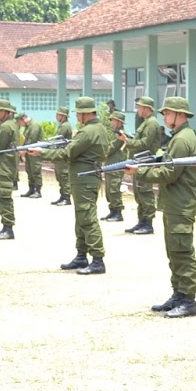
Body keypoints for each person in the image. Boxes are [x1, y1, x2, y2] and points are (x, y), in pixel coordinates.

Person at [136, 96, 196, 315]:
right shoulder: (179, 137)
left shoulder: (182, 140)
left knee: (182, 251)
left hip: (181, 203)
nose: (164, 116)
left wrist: (140, 171)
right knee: (174, 251)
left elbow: (169, 173)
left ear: (180, 114)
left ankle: (188, 300)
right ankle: (179, 293)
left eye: (167, 113)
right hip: (176, 202)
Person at [35, 96, 114, 274]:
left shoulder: (87, 132)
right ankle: (81, 255)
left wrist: (42, 153)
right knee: (82, 218)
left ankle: (97, 259)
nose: (77, 117)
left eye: (79, 114)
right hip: (86, 178)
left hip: (84, 179)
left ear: (86, 114)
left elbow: (67, 153)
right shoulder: (99, 128)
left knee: (87, 218)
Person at [125, 95, 167, 235]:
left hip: (146, 162)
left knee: (145, 192)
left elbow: (145, 143)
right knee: (139, 193)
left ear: (146, 108)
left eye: (139, 107)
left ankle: (148, 223)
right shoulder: (146, 122)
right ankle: (141, 221)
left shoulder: (151, 123)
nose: (137, 109)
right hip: (140, 161)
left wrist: (127, 141)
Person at [0, 102, 20, 239]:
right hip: (7, 165)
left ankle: (8, 228)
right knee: (3, 196)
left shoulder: (6, 126)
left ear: (5, 112)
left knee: (4, 197)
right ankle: (6, 227)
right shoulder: (11, 124)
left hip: (3, 166)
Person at [101, 108, 129, 222]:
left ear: (119, 122)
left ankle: (118, 213)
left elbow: (111, 148)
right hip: (111, 165)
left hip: (116, 165)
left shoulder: (121, 134)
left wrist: (102, 151)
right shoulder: (115, 133)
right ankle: (112, 211)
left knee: (114, 189)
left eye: (113, 120)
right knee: (109, 190)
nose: (111, 122)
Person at [50, 106, 74, 205]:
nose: (56, 116)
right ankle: (63, 195)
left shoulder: (64, 126)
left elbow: (59, 140)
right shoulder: (63, 125)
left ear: (63, 116)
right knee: (60, 176)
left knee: (64, 175)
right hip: (60, 153)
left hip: (62, 153)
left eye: (58, 114)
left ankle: (66, 197)